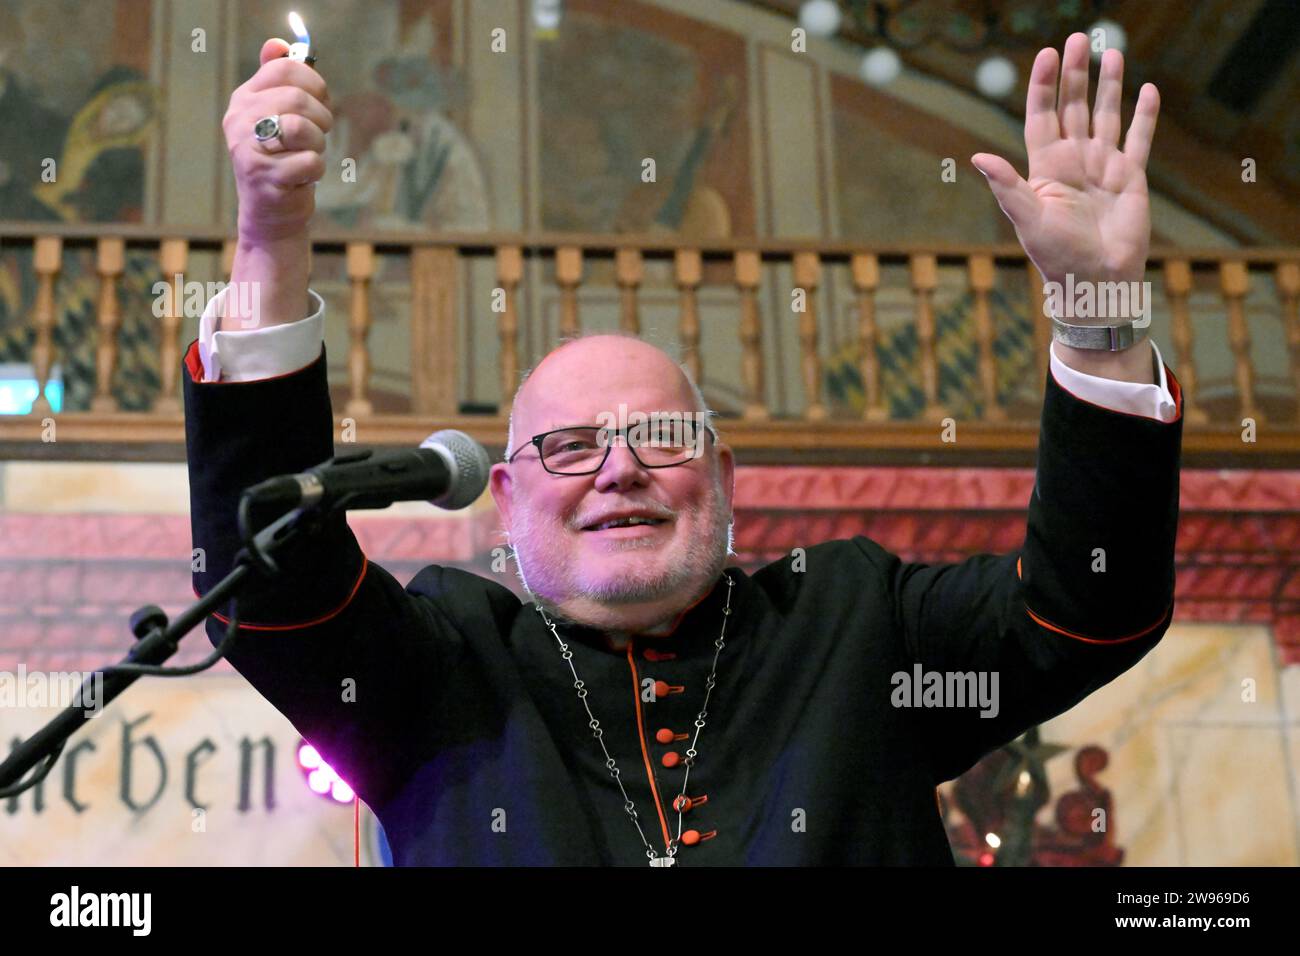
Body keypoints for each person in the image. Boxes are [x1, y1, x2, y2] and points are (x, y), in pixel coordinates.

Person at [185, 34, 1181, 865]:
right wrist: (269, 238)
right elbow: (272, 589)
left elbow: (1086, 612)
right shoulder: (441, 663)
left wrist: (1095, 313)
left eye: (659, 437)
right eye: (571, 445)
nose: (619, 468)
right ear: (505, 496)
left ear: (722, 477)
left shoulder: (858, 625)